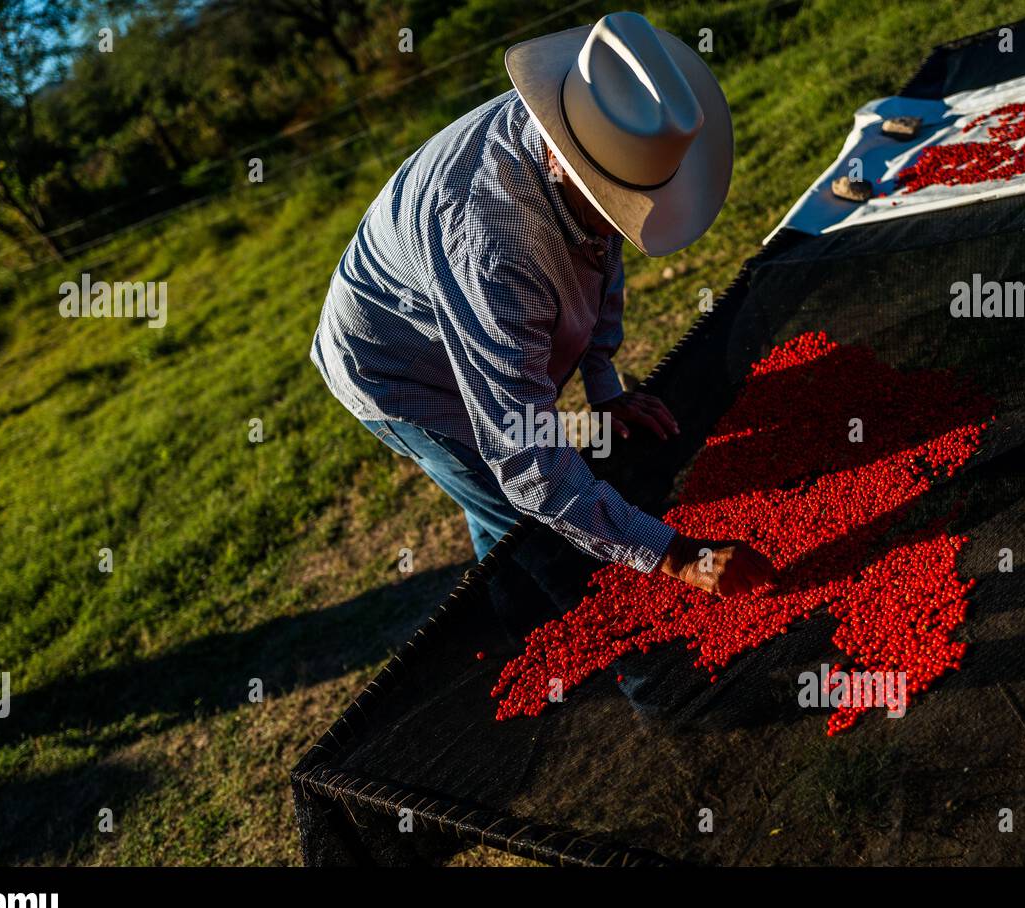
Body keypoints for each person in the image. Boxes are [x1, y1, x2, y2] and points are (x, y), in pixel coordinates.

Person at [311, 11, 774, 597]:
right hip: (401, 367)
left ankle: (511, 606)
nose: (619, 224)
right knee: (532, 528)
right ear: (562, 162)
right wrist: (680, 556)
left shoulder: (587, 122)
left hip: (466, 310)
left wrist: (603, 388)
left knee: (500, 507)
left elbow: (601, 257)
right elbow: (527, 458)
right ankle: (581, 657)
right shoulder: (495, 249)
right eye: (612, 203)